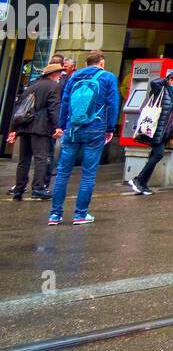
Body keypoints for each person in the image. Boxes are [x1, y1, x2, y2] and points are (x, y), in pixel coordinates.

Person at [48, 49, 120, 226]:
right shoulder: (108, 77)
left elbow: (65, 102)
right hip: (95, 129)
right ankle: (80, 214)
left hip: (73, 129)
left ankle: (55, 215)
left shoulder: (74, 77)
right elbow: (112, 103)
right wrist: (110, 128)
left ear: (87, 63)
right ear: (101, 62)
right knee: (88, 174)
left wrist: (62, 126)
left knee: (63, 172)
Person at [6, 61, 63, 202]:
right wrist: (57, 126)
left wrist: (14, 129)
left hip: (25, 127)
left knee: (23, 160)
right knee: (41, 158)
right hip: (41, 127)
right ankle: (38, 188)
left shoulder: (32, 86)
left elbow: (19, 108)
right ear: (54, 74)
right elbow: (53, 108)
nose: (60, 76)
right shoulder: (54, 86)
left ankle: (19, 189)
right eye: (59, 73)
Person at [128, 69, 173, 196]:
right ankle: (138, 180)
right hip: (155, 129)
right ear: (171, 80)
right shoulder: (162, 89)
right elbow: (154, 83)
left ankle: (143, 184)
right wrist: (166, 80)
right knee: (158, 155)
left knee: (154, 155)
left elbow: (172, 114)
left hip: (164, 132)